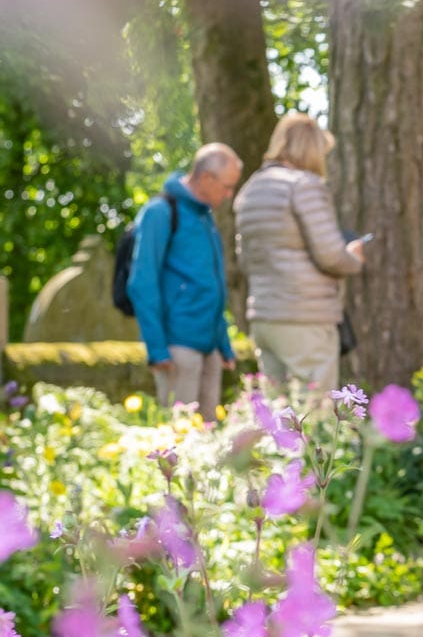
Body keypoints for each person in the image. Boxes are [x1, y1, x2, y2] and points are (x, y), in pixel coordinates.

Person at [233, 112, 366, 392]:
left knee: (276, 413)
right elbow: (330, 255)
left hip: (265, 316)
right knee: (314, 412)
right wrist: (353, 257)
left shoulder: (250, 189)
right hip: (305, 318)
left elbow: (245, 260)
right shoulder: (303, 185)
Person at [127, 142, 242, 420]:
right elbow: (142, 282)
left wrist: (223, 344)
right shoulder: (161, 212)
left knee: (208, 437)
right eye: (226, 187)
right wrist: (156, 348)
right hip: (177, 346)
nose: (229, 195)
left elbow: (212, 287)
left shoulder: (205, 219)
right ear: (206, 178)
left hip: (209, 347)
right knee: (178, 439)